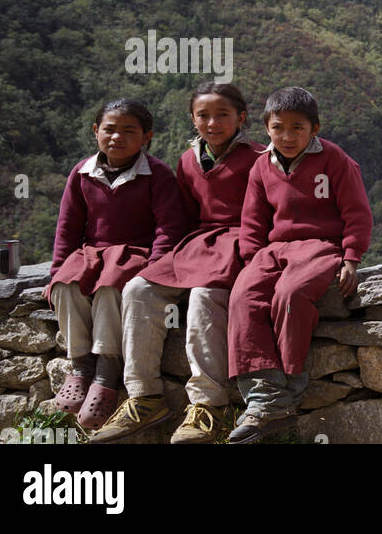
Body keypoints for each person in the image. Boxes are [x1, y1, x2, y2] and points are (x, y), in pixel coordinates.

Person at [90, 82, 266, 444]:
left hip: (240, 242)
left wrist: (255, 257)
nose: (212, 123)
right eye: (203, 115)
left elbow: (270, 214)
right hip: (197, 243)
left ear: (241, 119)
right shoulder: (188, 160)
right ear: (193, 119)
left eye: (223, 115)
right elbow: (183, 216)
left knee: (204, 296)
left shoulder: (258, 158)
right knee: (138, 289)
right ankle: (144, 396)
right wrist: (169, 259)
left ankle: (209, 406)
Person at [226, 87, 372, 443]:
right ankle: (263, 393)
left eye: (297, 128)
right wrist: (250, 261)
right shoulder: (262, 166)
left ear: (315, 129)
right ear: (266, 128)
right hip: (274, 249)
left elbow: (357, 213)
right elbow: (253, 220)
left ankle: (288, 390)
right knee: (243, 296)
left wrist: (351, 258)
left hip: (321, 245)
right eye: (279, 128)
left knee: (291, 294)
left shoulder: (335, 160)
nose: (287, 137)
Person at [49, 99, 187, 429]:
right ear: (96, 131)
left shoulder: (157, 175)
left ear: (146, 137)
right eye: (109, 129)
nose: (117, 138)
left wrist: (154, 268)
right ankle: (81, 365)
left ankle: (107, 373)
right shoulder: (82, 174)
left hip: (133, 255)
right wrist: (56, 271)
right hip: (92, 255)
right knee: (67, 285)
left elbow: (168, 228)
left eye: (129, 131)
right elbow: (67, 227)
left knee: (111, 291)